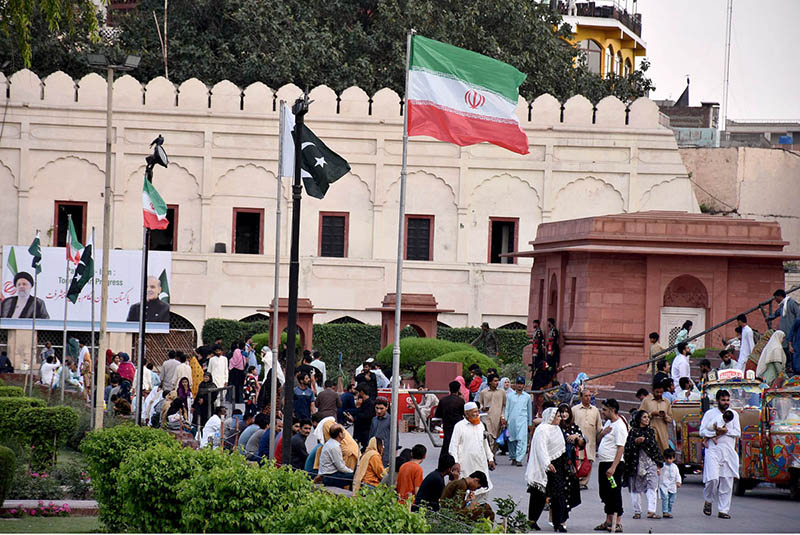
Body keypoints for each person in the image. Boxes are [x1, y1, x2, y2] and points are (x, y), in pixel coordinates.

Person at [526, 407, 569, 532]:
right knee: (539, 494)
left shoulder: (557, 429)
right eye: (557, 416)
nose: (559, 418)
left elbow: (561, 447)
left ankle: (558, 523)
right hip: (544, 465)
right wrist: (547, 463)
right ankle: (532, 520)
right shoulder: (542, 430)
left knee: (558, 495)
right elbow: (541, 448)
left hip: (557, 465)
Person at [699, 389, 740, 519]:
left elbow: (737, 432)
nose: (726, 402)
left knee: (727, 481)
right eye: (723, 400)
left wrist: (725, 432)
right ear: (718, 401)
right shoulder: (710, 414)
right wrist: (715, 433)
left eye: (728, 400)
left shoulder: (734, 414)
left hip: (728, 451)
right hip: (713, 450)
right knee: (713, 479)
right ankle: (708, 500)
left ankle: (723, 510)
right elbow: (702, 431)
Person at [623, 410, 664, 520]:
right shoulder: (633, 432)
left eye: (647, 417)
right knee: (635, 488)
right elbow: (627, 448)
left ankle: (651, 511)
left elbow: (654, 447)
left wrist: (645, 440)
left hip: (650, 463)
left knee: (652, 486)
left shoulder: (650, 431)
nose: (647, 419)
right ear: (639, 419)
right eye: (644, 417)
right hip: (636, 464)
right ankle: (637, 511)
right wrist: (636, 442)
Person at [449, 402, 496, 497]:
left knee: (482, 489)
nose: (477, 414)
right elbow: (453, 446)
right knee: (465, 490)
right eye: (474, 412)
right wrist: (456, 462)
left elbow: (485, 443)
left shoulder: (481, 425)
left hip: (480, 463)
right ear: (467, 414)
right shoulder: (459, 426)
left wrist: (490, 458)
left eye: (477, 411)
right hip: (466, 464)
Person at [595, 398, 628, 533]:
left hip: (613, 465)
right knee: (605, 492)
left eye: (604, 410)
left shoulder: (620, 426)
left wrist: (613, 467)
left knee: (614, 491)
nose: (602, 412)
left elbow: (621, 448)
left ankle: (617, 521)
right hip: (603, 463)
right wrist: (602, 434)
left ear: (612, 410)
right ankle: (608, 520)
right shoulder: (609, 423)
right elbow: (599, 439)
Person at [572, 388, 603, 489]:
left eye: (590, 396)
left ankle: (583, 483)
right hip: (577, 442)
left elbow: (599, 427)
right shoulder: (574, 409)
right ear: (581, 397)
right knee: (577, 461)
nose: (588, 398)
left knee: (588, 462)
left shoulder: (595, 411)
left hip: (590, 442)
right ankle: (576, 481)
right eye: (586, 396)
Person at [504, 377, 533, 467]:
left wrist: (530, 423)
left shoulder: (527, 397)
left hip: (523, 420)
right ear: (515, 384)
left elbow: (529, 410)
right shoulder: (510, 396)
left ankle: (519, 459)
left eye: (521, 384)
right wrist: (505, 420)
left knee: (522, 439)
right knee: (511, 439)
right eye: (518, 383)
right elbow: (507, 409)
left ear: (524, 385)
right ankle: (513, 457)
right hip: (511, 421)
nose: (519, 385)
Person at [638, 379, 673, 453]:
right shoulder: (646, 401)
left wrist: (664, 416)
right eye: (657, 392)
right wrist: (651, 414)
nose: (659, 394)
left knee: (664, 451)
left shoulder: (666, 402)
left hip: (662, 431)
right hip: (649, 430)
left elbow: (670, 419)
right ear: (653, 391)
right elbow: (639, 415)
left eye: (661, 392)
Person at [437, 380, 466, 460]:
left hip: (447, 424)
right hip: (458, 424)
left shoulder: (443, 400)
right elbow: (464, 413)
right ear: (459, 389)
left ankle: (444, 461)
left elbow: (438, 414)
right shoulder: (460, 401)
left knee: (446, 443)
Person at [478, 374, 506, 452]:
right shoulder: (483, 392)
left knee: (497, 438)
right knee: (489, 437)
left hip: (498, 418)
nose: (497, 383)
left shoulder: (502, 392)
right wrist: (482, 408)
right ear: (490, 382)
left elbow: (504, 405)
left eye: (498, 381)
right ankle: (489, 456)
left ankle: (492, 456)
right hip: (487, 418)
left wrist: (503, 416)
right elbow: (479, 403)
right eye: (495, 381)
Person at [767, 289, 798, 357]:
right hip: (783, 332)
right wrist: (769, 318)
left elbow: (798, 316)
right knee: (784, 349)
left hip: (791, 331)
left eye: (776, 298)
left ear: (780, 296)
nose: (775, 300)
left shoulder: (792, 303)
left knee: (791, 350)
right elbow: (776, 314)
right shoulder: (782, 306)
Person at [350, 383, 375, 448]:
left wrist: (358, 408)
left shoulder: (370, 404)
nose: (356, 395)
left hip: (365, 431)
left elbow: (366, 416)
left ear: (361, 392)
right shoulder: (361, 402)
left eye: (357, 392)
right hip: (359, 431)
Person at [369, 397, 392, 466]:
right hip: (374, 451)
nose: (379, 411)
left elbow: (395, 438)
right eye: (377, 408)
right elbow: (371, 435)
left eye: (381, 408)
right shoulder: (374, 419)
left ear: (386, 407)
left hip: (386, 453)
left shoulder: (391, 419)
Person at [659, 448, 681, 518]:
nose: (668, 460)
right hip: (664, 485)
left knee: (671, 500)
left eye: (670, 458)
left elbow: (677, 475)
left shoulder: (675, 467)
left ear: (673, 458)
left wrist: (678, 482)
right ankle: (665, 511)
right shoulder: (662, 466)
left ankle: (669, 511)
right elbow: (658, 474)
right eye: (667, 458)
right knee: (665, 498)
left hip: (672, 486)